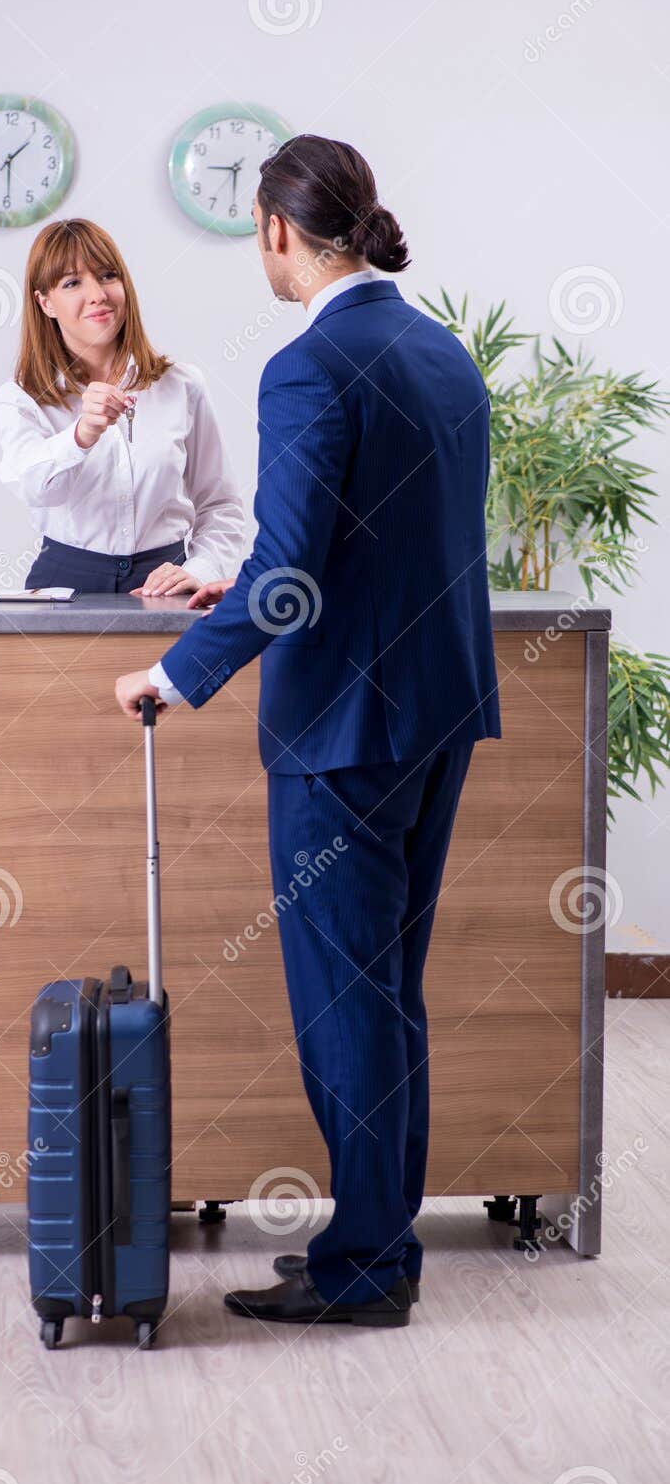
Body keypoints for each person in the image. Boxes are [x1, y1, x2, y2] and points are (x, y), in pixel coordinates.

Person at [115, 135, 501, 1331]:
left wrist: (178, 676)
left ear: (280, 233)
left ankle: (367, 1270)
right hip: (436, 713)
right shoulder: (442, 353)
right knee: (386, 995)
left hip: (344, 731)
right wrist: (222, 593)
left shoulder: (310, 365)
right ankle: (373, 1245)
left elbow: (291, 574)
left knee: (347, 1002)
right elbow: (365, 549)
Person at [0, 218, 245, 595]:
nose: (97, 295)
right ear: (44, 302)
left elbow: (221, 505)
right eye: (72, 282)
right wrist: (80, 435)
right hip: (63, 588)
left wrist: (202, 569)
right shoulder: (21, 397)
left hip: (165, 586)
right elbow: (34, 488)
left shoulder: (181, 385)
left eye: (108, 276)